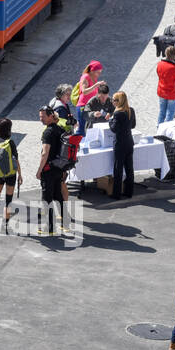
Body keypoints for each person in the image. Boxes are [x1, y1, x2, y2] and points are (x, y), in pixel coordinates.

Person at [36, 106, 68, 235]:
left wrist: (39, 171)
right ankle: (65, 224)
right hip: (58, 168)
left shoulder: (48, 132)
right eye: (40, 117)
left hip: (48, 170)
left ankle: (49, 228)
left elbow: (45, 153)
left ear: (50, 116)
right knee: (58, 196)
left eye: (43, 116)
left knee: (47, 199)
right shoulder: (60, 129)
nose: (41, 119)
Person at [110, 90, 137, 199]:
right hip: (129, 142)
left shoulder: (117, 113)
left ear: (119, 101)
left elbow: (114, 129)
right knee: (129, 169)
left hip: (120, 144)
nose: (112, 102)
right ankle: (128, 192)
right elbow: (133, 125)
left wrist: (110, 120)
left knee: (118, 169)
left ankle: (116, 194)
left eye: (114, 100)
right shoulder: (131, 110)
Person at [74, 61, 104, 134]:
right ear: (92, 70)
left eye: (100, 72)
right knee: (82, 130)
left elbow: (94, 94)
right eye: (98, 72)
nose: (99, 74)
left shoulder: (94, 78)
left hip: (90, 107)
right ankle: (73, 145)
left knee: (91, 130)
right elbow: (84, 91)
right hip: (83, 106)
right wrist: (95, 85)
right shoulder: (85, 77)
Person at [157, 45, 175, 123]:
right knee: (170, 114)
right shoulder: (174, 68)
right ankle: (166, 132)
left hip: (161, 91)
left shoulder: (159, 64)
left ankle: (159, 129)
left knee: (162, 112)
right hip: (172, 94)